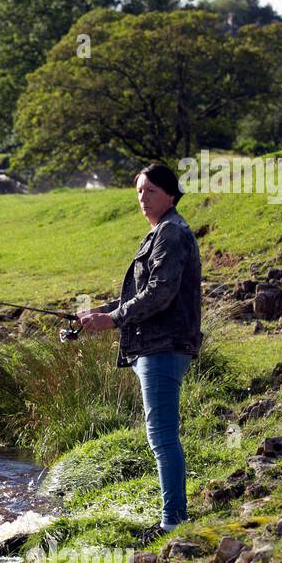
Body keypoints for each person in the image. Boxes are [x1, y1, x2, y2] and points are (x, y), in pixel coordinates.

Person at [76, 164, 202, 533]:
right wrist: (99, 313)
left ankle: (173, 523)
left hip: (164, 346)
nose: (142, 199)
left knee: (162, 437)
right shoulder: (162, 232)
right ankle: (172, 517)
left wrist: (113, 320)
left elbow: (160, 293)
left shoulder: (171, 234)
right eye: (139, 193)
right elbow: (142, 293)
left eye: (150, 191)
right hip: (154, 345)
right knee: (160, 435)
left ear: (171, 194)